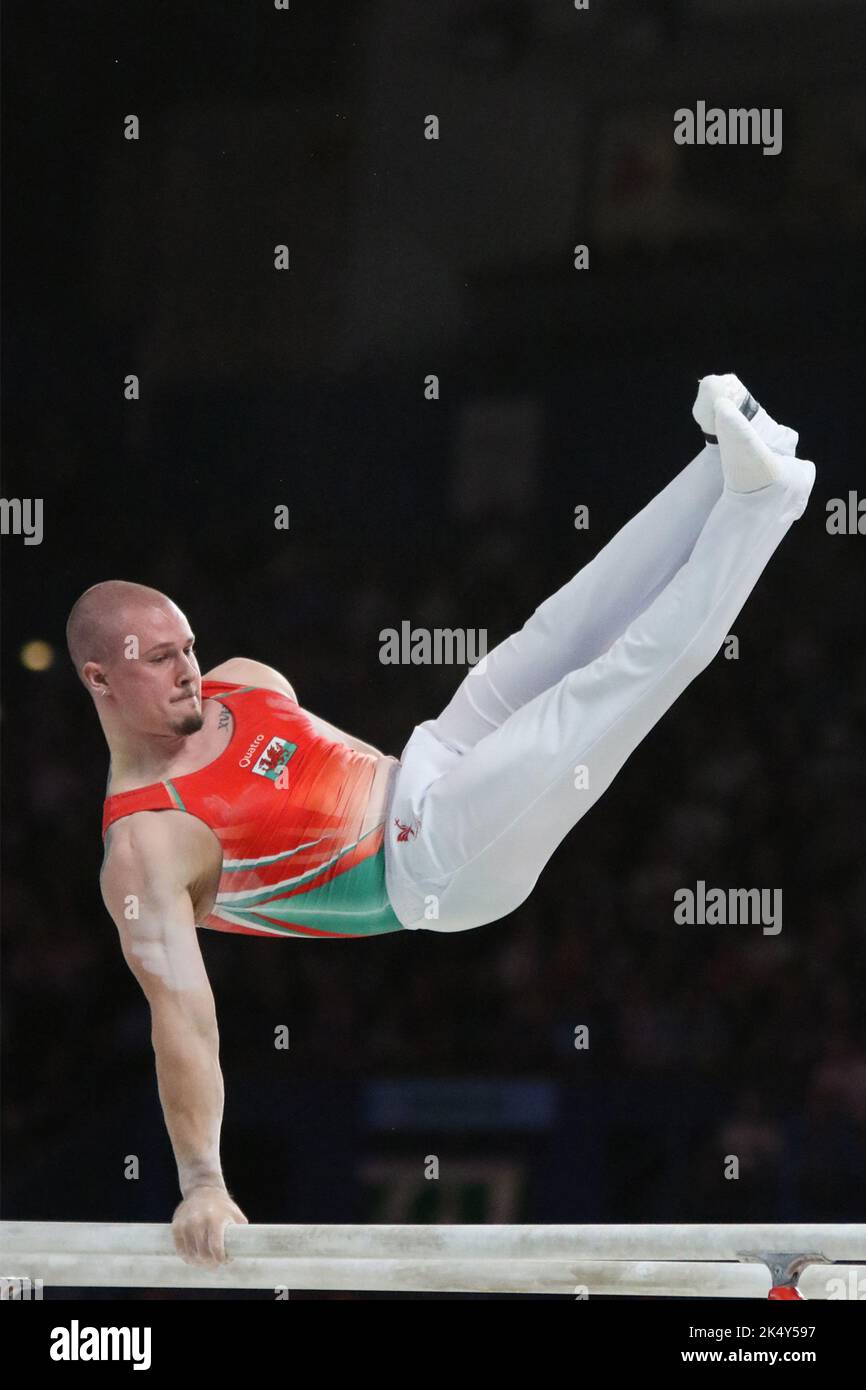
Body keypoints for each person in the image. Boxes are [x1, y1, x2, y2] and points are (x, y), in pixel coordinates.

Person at [71, 374, 814, 1267]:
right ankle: (766, 504)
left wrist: (424, 772)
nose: (191, 668)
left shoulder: (243, 678)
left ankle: (722, 463)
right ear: (99, 681)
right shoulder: (146, 840)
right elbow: (183, 1016)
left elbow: (324, 774)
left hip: (426, 763)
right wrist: (201, 1179)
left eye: (187, 644)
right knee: (611, 687)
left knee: (565, 630)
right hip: (430, 872)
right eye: (160, 659)